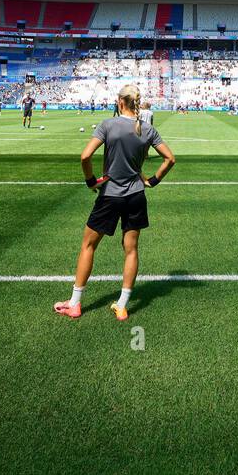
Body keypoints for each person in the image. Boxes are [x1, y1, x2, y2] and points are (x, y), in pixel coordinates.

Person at [55, 84, 175, 321]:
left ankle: (75, 304)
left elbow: (85, 156)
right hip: (136, 196)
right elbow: (170, 159)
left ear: (120, 101)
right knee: (131, 250)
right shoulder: (148, 129)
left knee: (88, 246)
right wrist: (151, 180)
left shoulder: (107, 125)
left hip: (109, 195)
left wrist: (91, 181)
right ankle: (121, 306)